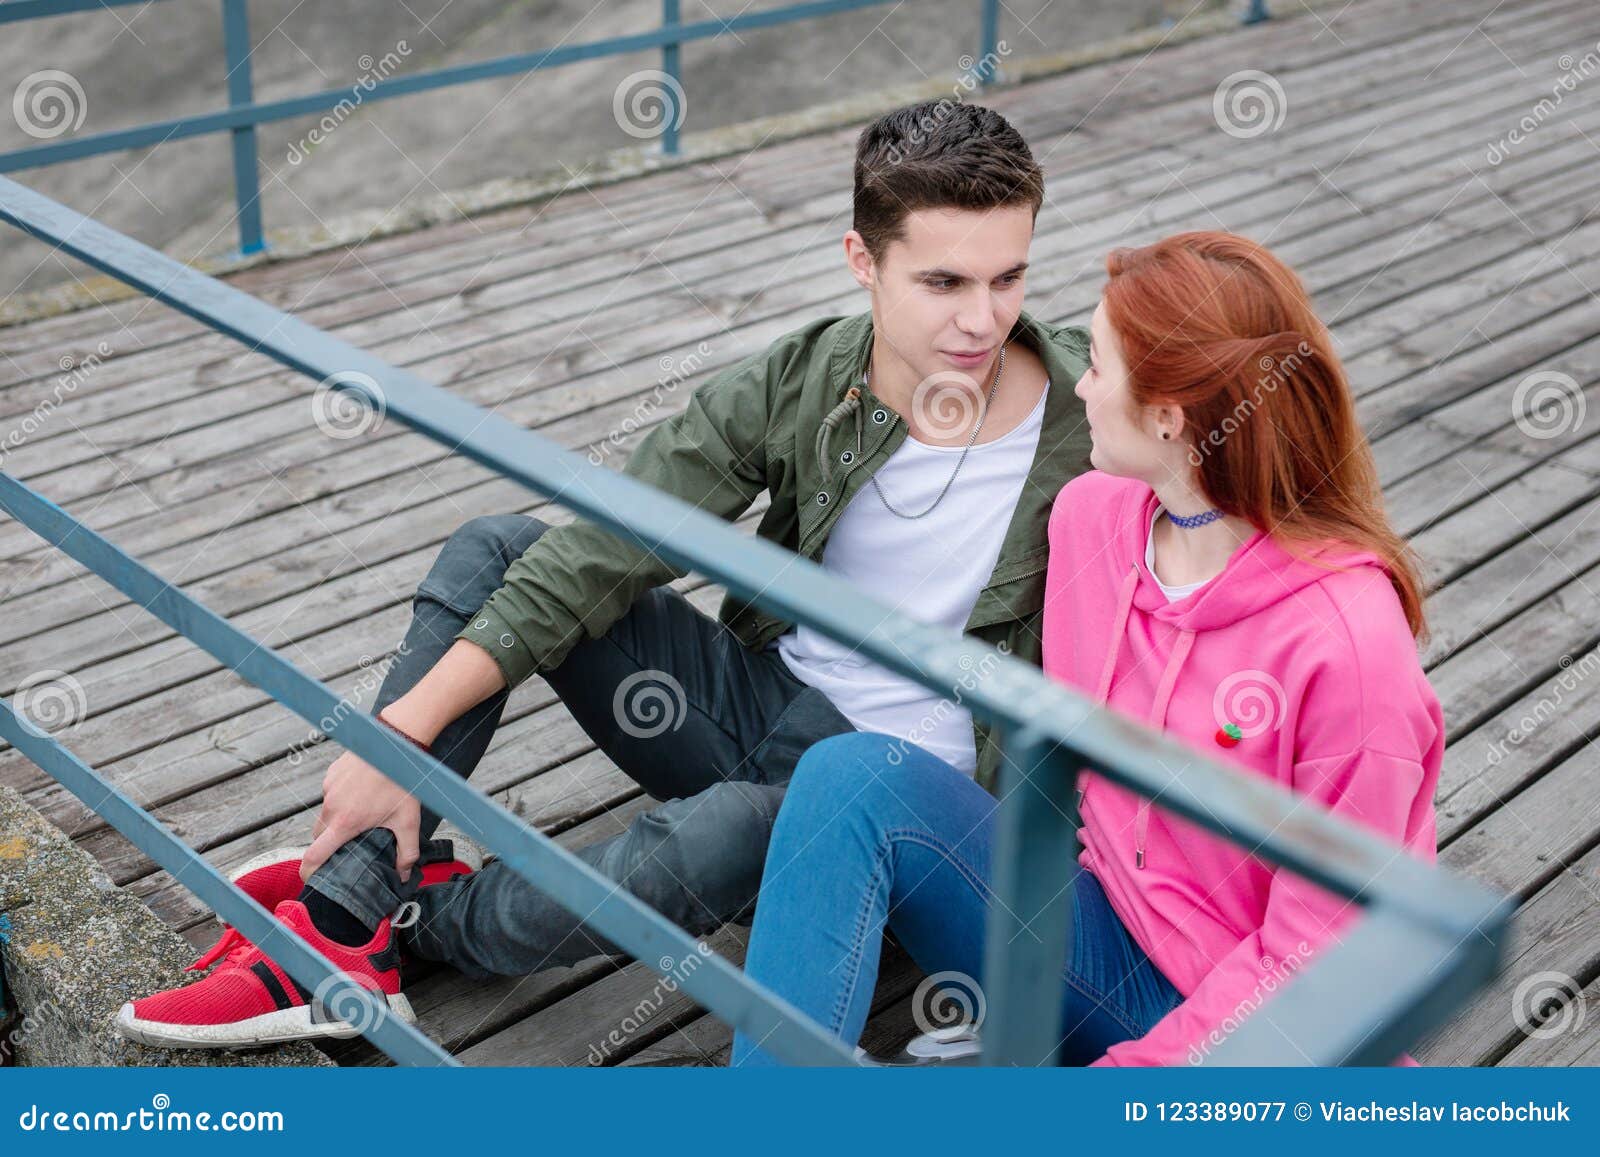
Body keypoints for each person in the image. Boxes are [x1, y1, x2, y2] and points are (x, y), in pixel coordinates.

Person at [115, 99, 1096, 1049]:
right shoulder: (806, 376)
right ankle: (347, 910)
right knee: (503, 547)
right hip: (768, 709)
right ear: (862, 261)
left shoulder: (1094, 418)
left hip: (908, 806)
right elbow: (607, 544)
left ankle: (401, 922)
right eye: (943, 282)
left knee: (721, 833)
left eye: (1008, 277)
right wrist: (396, 739)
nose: (982, 319)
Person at [730, 230, 1439, 1067]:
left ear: (1168, 417)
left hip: (1253, 1026)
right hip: (1098, 932)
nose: (1077, 386)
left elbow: (1317, 973)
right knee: (851, 779)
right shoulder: (1091, 519)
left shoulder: (1350, 646)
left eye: (1097, 366)